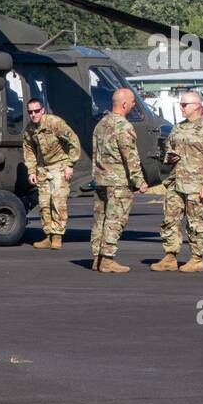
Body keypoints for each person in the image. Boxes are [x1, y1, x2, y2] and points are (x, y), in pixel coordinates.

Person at [151, 90, 203, 273]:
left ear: (197, 106)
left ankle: (196, 258)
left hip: (196, 184)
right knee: (170, 219)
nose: (181, 108)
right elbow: (167, 148)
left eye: (185, 105)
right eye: (180, 105)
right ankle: (170, 256)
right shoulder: (178, 128)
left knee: (195, 222)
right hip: (176, 181)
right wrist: (169, 156)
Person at [90, 87, 149, 273]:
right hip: (117, 182)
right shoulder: (123, 126)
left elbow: (95, 154)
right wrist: (139, 181)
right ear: (124, 104)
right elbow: (129, 157)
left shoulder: (101, 124)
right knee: (115, 220)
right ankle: (107, 259)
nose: (133, 105)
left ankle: (97, 257)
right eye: (132, 102)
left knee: (100, 219)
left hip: (100, 179)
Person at [22, 98, 81, 249]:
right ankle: (48, 235)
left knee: (58, 202)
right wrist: (31, 171)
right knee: (44, 204)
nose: (33, 114)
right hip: (43, 169)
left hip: (59, 166)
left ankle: (57, 237)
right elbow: (29, 150)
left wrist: (70, 164)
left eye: (36, 111)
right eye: (30, 112)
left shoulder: (55, 123)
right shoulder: (29, 129)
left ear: (42, 110)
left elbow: (73, 140)